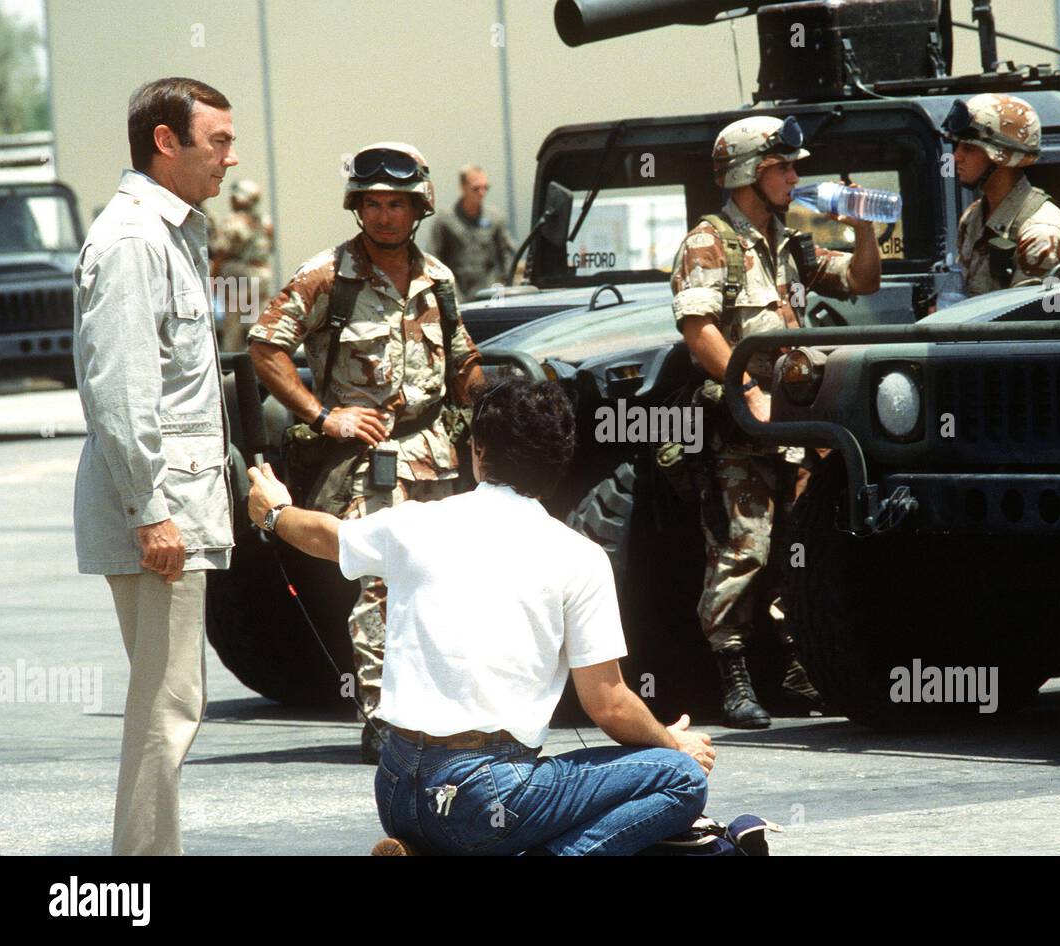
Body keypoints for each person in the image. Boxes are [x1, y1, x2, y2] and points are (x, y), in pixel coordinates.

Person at [246, 377, 715, 855]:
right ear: (561, 458)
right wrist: (672, 745)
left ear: (478, 449)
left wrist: (274, 512)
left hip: (397, 790)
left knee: (495, 812)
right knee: (681, 778)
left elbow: (325, 535)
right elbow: (609, 705)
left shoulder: (415, 522)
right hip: (484, 797)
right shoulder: (580, 557)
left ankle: (429, 847)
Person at [248, 142, 484, 763]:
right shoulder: (328, 275)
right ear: (357, 206)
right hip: (369, 463)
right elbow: (265, 347)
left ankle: (437, 710)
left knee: (441, 582)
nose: (384, 216)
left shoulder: (439, 280)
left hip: (435, 458)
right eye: (373, 204)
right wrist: (324, 415)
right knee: (382, 582)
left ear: (419, 208)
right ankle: (381, 717)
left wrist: (496, 413)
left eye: (396, 204)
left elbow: (464, 363)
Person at [670, 114, 881, 728]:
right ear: (747, 174)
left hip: (794, 428)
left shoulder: (788, 241)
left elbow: (861, 281)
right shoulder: (708, 243)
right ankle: (733, 676)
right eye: (782, 168)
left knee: (798, 548)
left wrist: (864, 229)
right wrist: (745, 391)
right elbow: (699, 331)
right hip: (741, 429)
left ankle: (796, 667)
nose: (794, 178)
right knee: (743, 551)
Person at [72, 76, 238, 855]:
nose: (229, 158)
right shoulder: (137, 240)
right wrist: (151, 511)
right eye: (218, 141)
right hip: (160, 515)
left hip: (170, 505)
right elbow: (122, 390)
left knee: (164, 708)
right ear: (166, 142)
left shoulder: (166, 233)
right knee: (165, 713)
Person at [943, 94, 1060, 296]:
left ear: (1001, 157)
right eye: (957, 146)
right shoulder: (973, 217)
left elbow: (1029, 313)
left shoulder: (1040, 232)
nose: (956, 157)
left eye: (968, 148)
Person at [427, 163, 516, 300]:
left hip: (490, 294)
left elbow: (507, 254)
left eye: (485, 188)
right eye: (476, 188)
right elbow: (433, 258)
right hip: (458, 296)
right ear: (462, 187)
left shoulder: (495, 218)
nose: (482, 193)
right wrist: (445, 292)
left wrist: (504, 284)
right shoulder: (445, 220)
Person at [211, 178, 274, 351]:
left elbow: (221, 253)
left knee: (233, 326)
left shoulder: (233, 222)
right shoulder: (265, 222)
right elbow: (270, 248)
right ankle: (258, 358)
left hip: (238, 277)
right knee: (256, 323)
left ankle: (230, 363)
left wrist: (212, 279)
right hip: (261, 276)